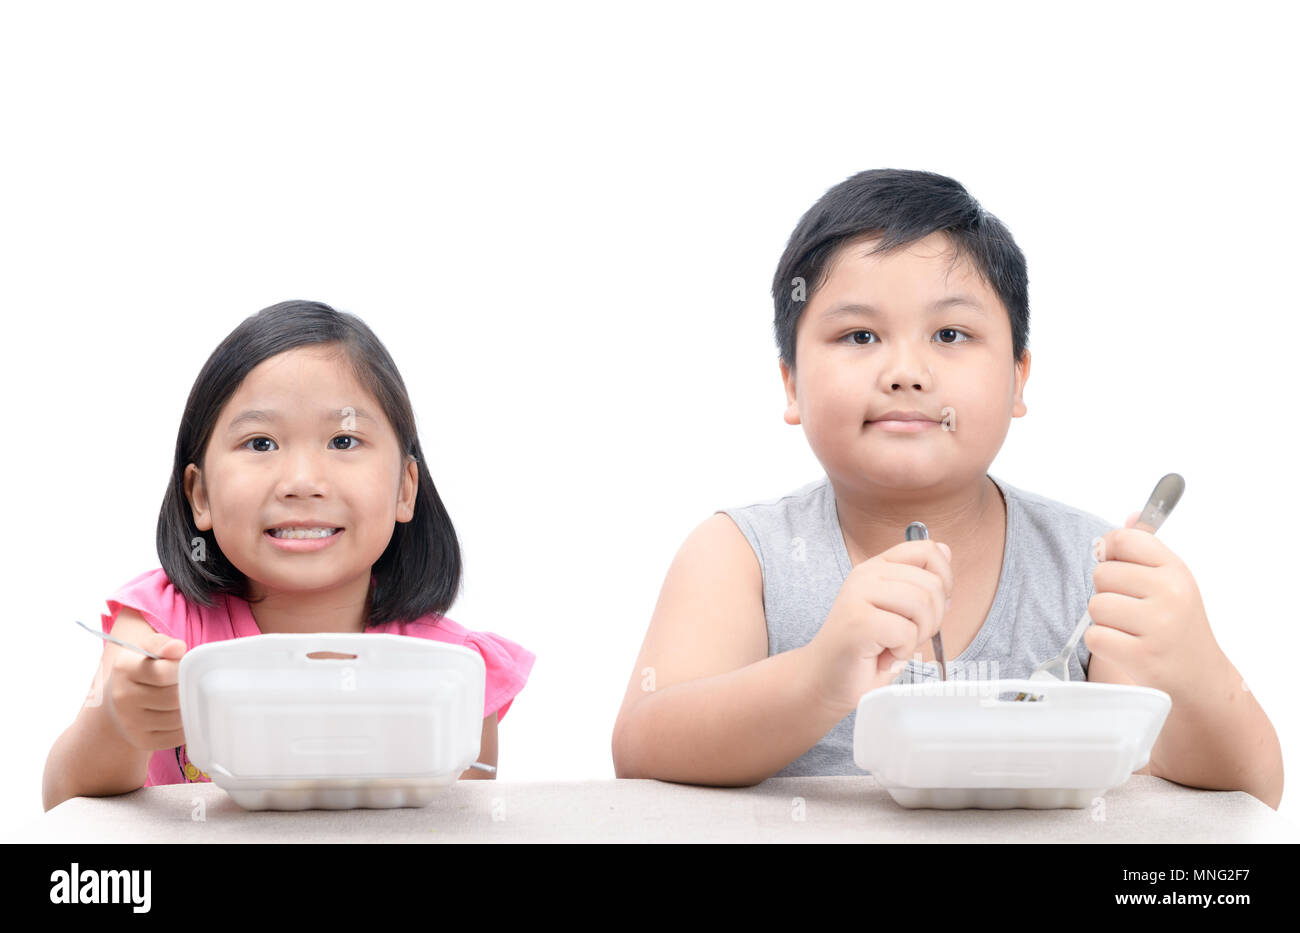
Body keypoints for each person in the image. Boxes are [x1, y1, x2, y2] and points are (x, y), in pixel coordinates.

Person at [611, 169, 1283, 807]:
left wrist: (1198, 667)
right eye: (860, 334)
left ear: (1019, 379)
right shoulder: (742, 555)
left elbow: (1251, 790)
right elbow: (642, 744)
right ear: (791, 383)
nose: (906, 370)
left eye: (951, 333)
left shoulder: (1089, 567)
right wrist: (819, 677)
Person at [43, 300, 534, 809]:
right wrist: (118, 723)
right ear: (200, 495)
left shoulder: (452, 673)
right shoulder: (156, 629)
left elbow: (460, 829)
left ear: (405, 489)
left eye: (344, 440)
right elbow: (62, 801)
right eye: (260, 443)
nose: (302, 482)